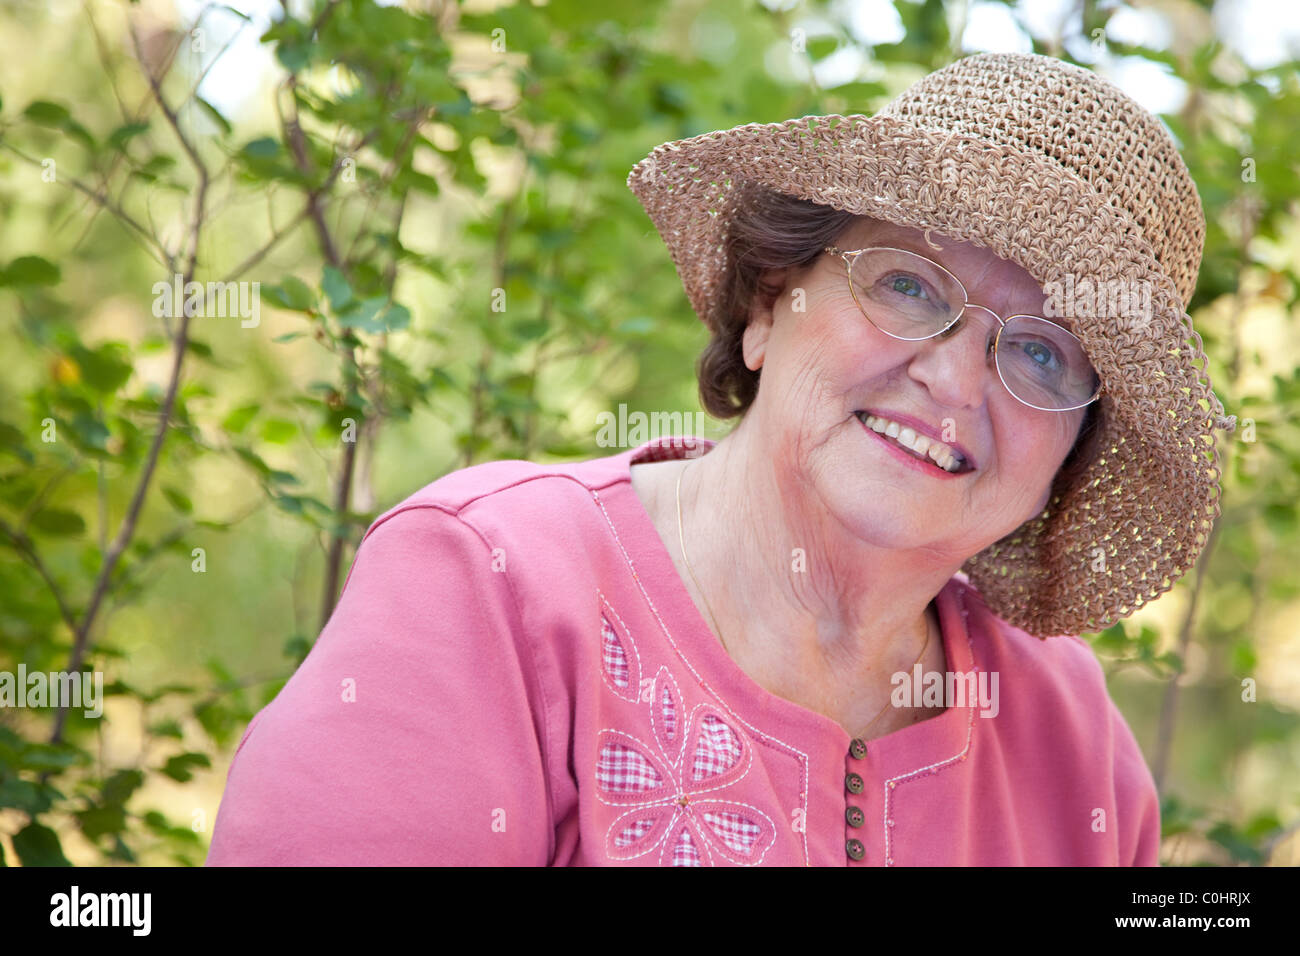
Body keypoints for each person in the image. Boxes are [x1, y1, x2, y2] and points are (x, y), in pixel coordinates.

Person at [206, 52, 1235, 866]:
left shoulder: (1066, 731)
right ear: (765, 303)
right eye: (910, 286)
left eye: (1043, 353)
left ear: (1069, 455)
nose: (957, 380)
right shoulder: (493, 582)